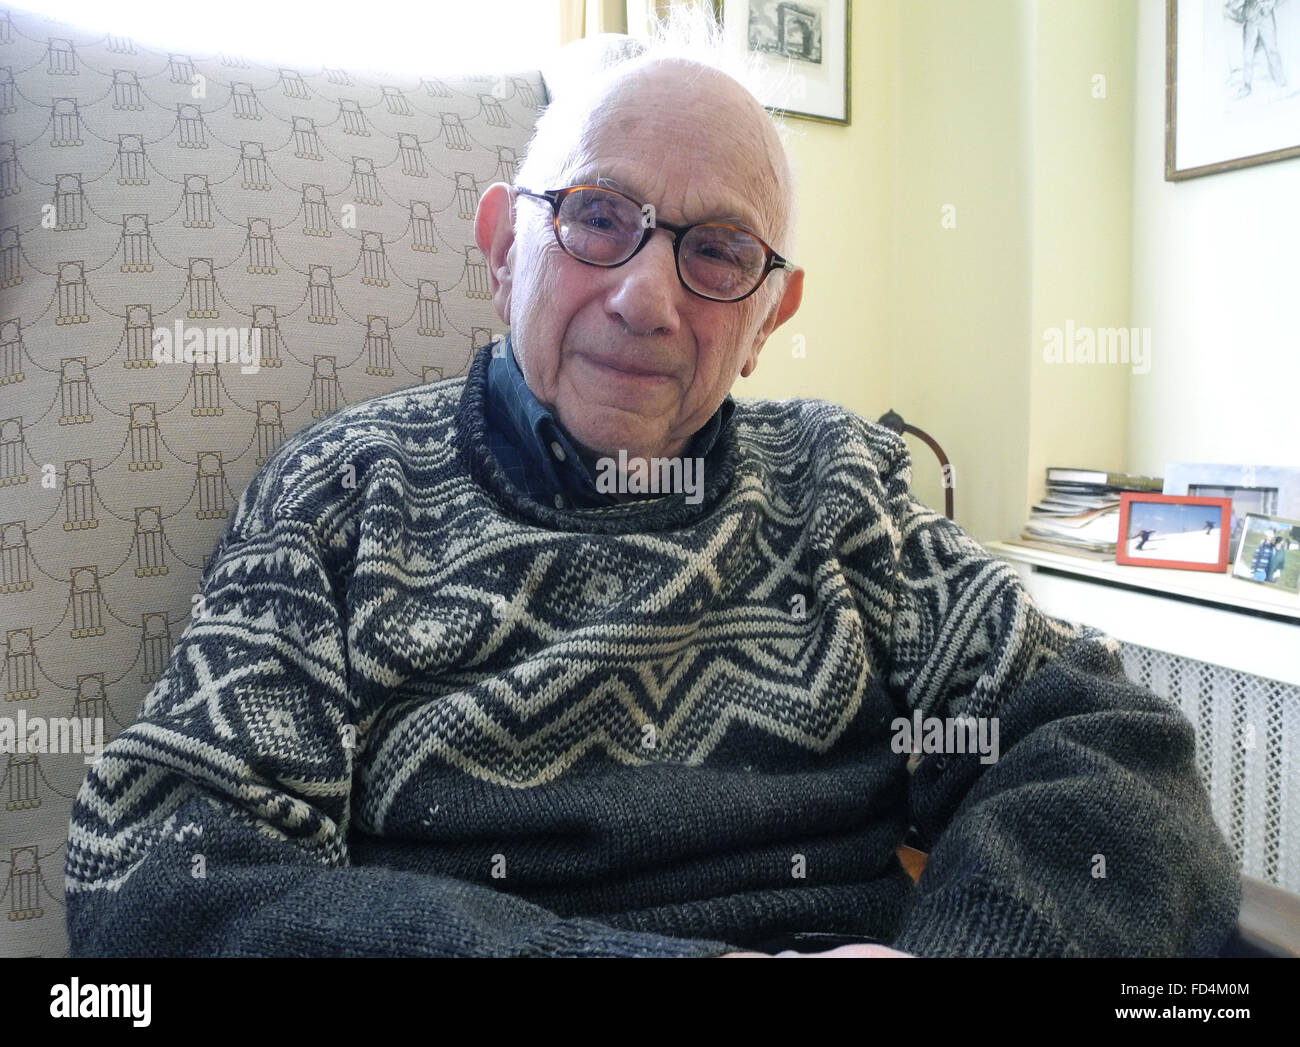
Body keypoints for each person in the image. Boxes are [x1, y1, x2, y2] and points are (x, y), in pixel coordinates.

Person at [64, 40, 1240, 959]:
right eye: (596, 216)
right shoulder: (349, 492)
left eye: (718, 252)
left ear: (769, 318)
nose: (644, 298)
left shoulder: (836, 486)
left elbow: (1104, 744)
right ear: (500, 244)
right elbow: (164, 877)